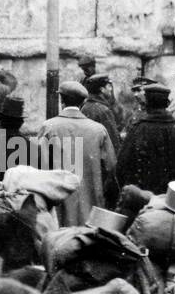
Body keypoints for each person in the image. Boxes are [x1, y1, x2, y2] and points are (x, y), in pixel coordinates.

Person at [38, 80, 117, 226]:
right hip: (91, 205)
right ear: (83, 103)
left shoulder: (49, 127)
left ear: (62, 100)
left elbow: (41, 167)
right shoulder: (99, 130)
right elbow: (111, 167)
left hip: (57, 203)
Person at [116, 82, 175, 196]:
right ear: (167, 103)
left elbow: (121, 168)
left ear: (147, 104)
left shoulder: (137, 130)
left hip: (146, 201)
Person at [81, 74, 122, 153]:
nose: (111, 89)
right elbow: (113, 140)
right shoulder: (103, 110)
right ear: (102, 89)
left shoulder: (84, 107)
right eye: (109, 86)